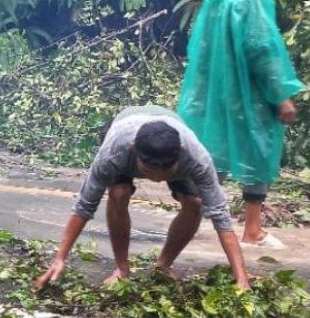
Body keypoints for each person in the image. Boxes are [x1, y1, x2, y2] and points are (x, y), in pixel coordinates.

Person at [177, 0, 305, 248]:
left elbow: (201, 44)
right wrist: (280, 94)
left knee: (212, 148)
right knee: (258, 150)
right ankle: (252, 229)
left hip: (216, 88)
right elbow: (261, 48)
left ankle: (193, 216)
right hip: (249, 89)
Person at [33, 106, 251, 291]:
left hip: (169, 127)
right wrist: (59, 259)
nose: (156, 179)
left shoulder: (197, 158)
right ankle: (122, 268)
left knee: (194, 203)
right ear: (134, 150)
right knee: (118, 194)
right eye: (149, 170)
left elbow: (221, 217)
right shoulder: (113, 152)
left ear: (181, 152)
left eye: (165, 172)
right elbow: (84, 206)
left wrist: (241, 279)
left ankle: (163, 266)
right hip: (126, 123)